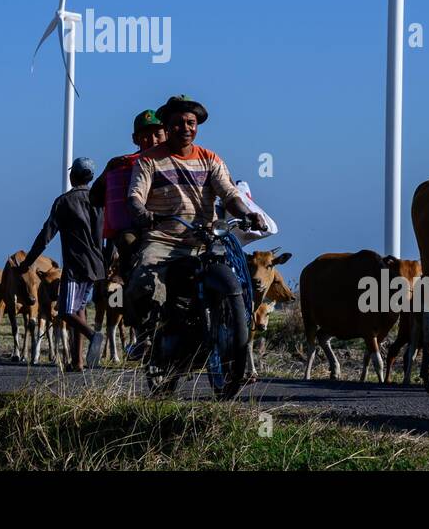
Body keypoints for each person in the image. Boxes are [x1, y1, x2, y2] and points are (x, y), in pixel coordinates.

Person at [125, 95, 266, 349]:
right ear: (167, 127)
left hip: (206, 240)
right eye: (178, 123)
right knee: (144, 283)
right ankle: (145, 338)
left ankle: (236, 347)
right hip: (163, 241)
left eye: (191, 122)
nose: (186, 128)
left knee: (240, 282)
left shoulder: (211, 159)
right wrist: (141, 211)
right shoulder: (149, 161)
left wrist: (247, 214)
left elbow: (230, 193)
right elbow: (135, 195)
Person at [17, 157, 106, 371]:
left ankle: (93, 335)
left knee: (65, 311)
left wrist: (28, 262)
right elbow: (101, 234)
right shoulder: (99, 201)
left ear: (72, 175)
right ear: (91, 177)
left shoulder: (64, 202)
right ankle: (77, 361)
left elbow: (45, 236)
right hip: (96, 265)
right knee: (80, 308)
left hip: (76, 266)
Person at [89, 110, 167, 281]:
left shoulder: (177, 162)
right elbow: (94, 197)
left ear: (166, 134)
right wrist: (108, 172)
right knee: (127, 241)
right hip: (137, 230)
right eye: (146, 136)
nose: (153, 140)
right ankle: (122, 290)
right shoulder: (122, 164)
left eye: (157, 134)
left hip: (171, 228)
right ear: (135, 139)